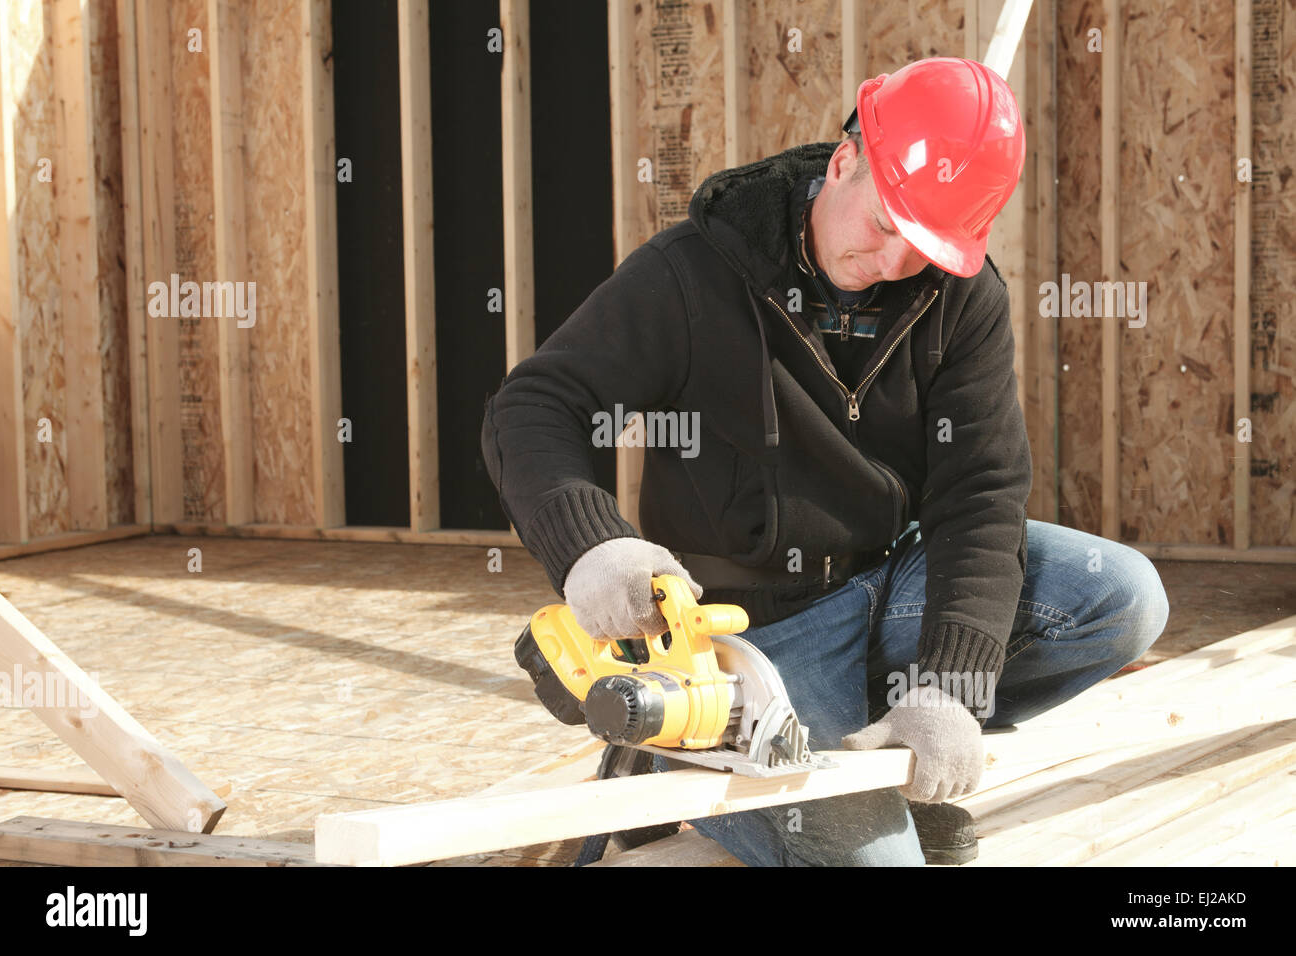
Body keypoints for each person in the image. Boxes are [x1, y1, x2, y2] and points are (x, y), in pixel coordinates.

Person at [481, 56, 1169, 866]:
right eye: (882, 225)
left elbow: (979, 495)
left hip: (883, 594)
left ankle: (865, 749)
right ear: (844, 161)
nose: (888, 264)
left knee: (1120, 596)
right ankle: (690, 748)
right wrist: (593, 545)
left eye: (918, 247)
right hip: (747, 648)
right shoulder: (694, 275)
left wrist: (949, 684)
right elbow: (532, 407)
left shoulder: (962, 297)